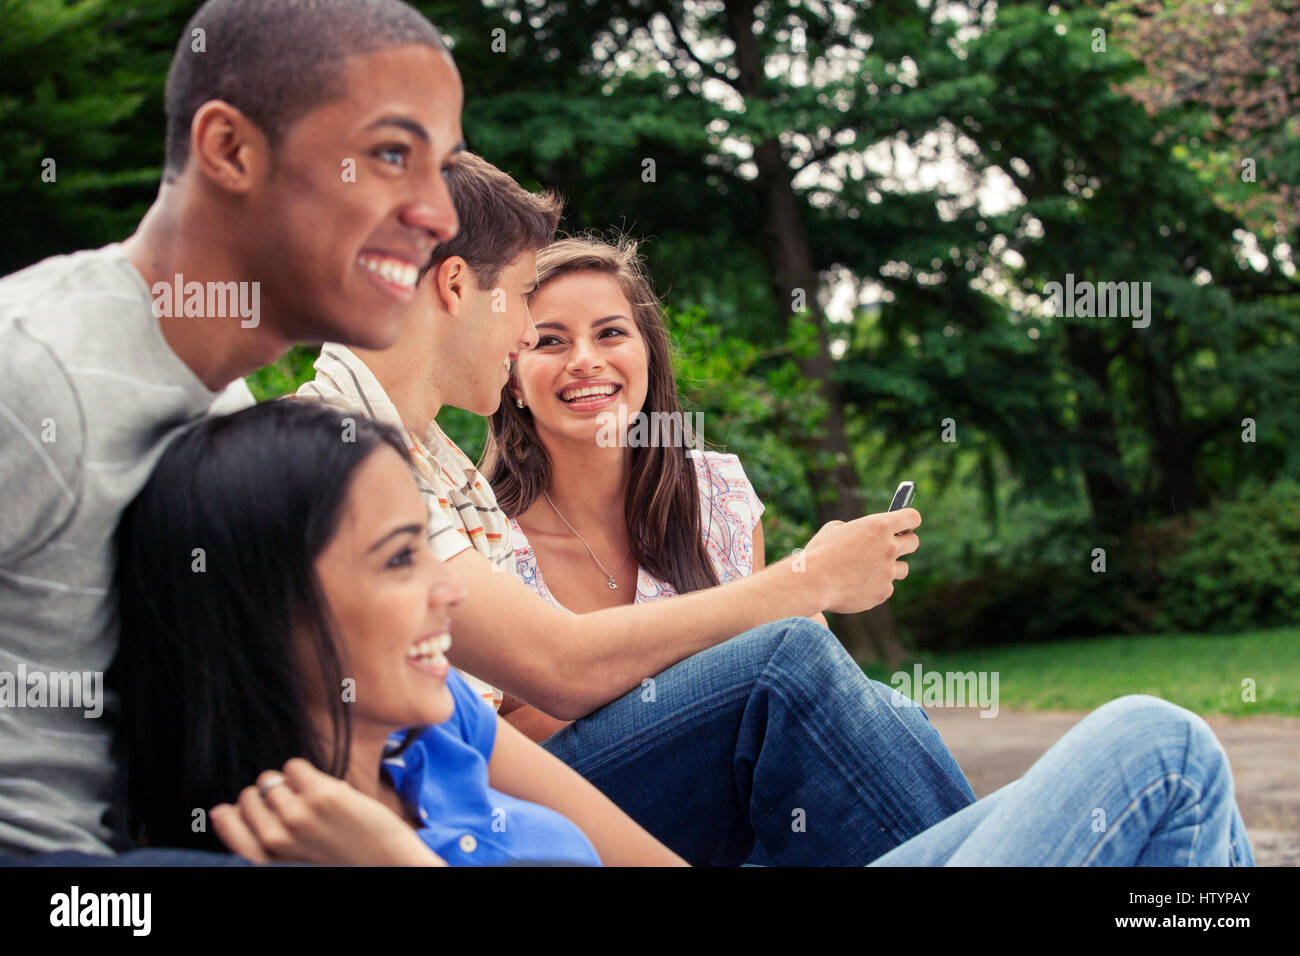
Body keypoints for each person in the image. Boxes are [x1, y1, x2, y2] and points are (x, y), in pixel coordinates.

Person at [110, 399, 1255, 868]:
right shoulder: (286, 836)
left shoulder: (447, 722)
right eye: (401, 558)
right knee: (1157, 745)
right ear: (271, 603)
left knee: (1162, 773)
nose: (453, 595)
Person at [296, 153, 984, 866]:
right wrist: (807, 580)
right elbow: (549, 674)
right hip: (467, 819)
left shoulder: (434, 464)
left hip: (513, 805)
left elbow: (478, 729)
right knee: (789, 663)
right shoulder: (337, 457)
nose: (531, 335)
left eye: (609, 333)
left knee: (874, 707)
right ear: (457, 285)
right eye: (531, 305)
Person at [0, 0, 464, 861]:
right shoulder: (30, 372)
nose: (440, 213)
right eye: (392, 155)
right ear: (230, 150)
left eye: (442, 166)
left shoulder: (226, 414)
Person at [482, 234, 828, 742]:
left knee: (823, 647)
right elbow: (497, 738)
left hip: (728, 779)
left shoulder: (716, 494)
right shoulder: (480, 534)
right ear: (513, 378)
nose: (585, 360)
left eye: (610, 334)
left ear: (647, 354)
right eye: (550, 340)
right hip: (574, 793)